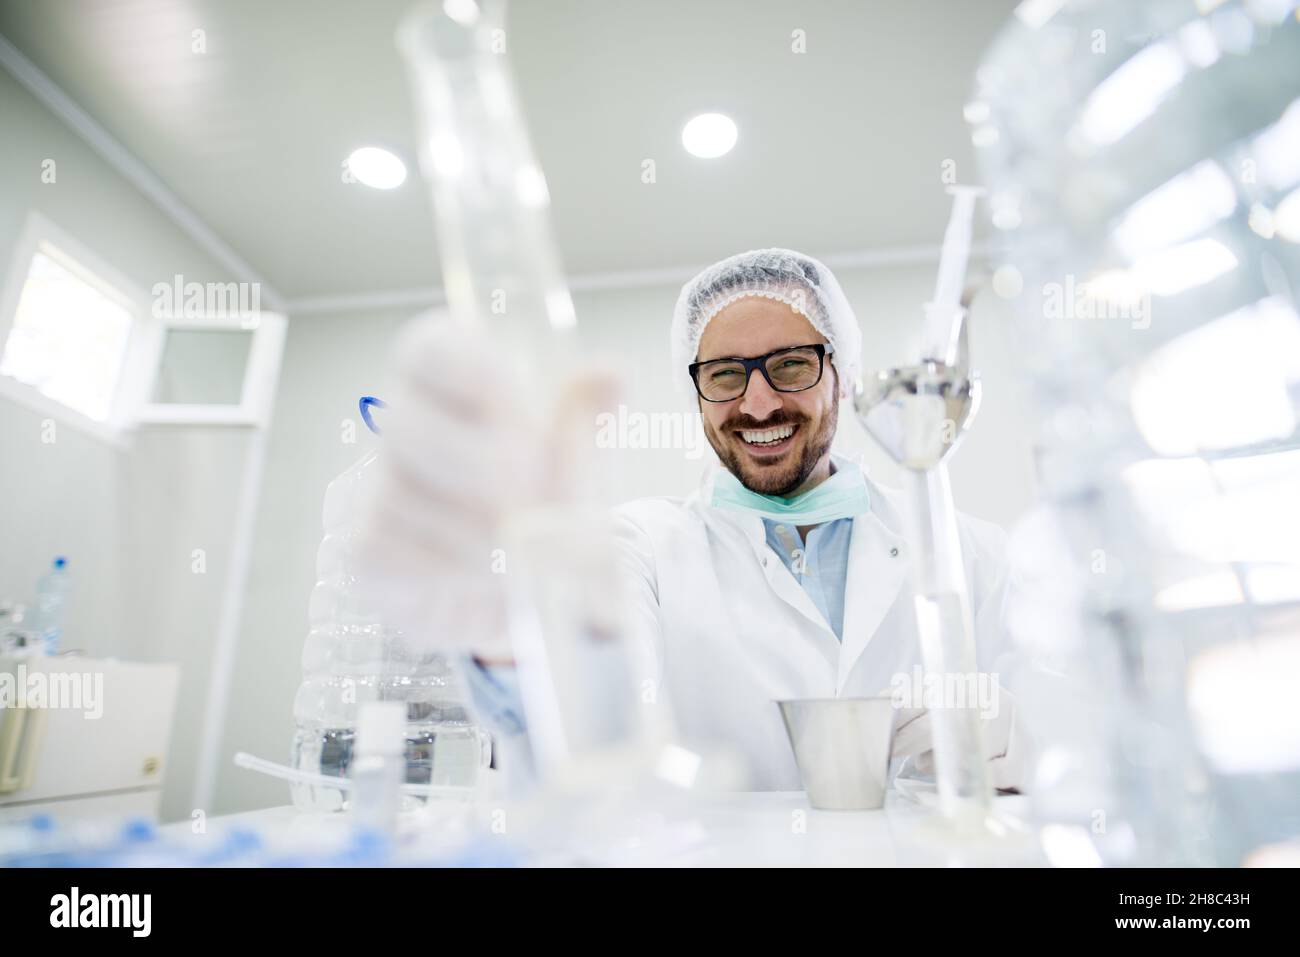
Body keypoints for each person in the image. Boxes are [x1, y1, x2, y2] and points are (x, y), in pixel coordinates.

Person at [365, 248, 1027, 791]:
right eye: (724, 374)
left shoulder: (968, 553)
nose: (758, 403)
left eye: (790, 364)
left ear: (844, 375)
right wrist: (514, 650)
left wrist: (1002, 746)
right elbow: (585, 755)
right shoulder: (641, 544)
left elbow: (1068, 759)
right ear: (697, 393)